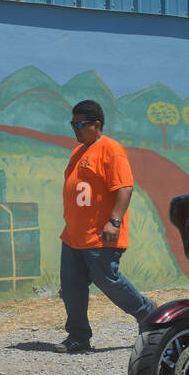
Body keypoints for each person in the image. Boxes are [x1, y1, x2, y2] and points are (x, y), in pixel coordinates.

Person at [57, 100, 155, 352]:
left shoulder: (111, 150)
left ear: (96, 125)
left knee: (108, 281)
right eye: (73, 124)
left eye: (79, 124)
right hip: (73, 236)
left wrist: (114, 222)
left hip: (101, 235)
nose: (75, 129)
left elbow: (124, 187)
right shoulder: (78, 151)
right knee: (71, 288)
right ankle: (78, 337)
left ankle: (147, 312)